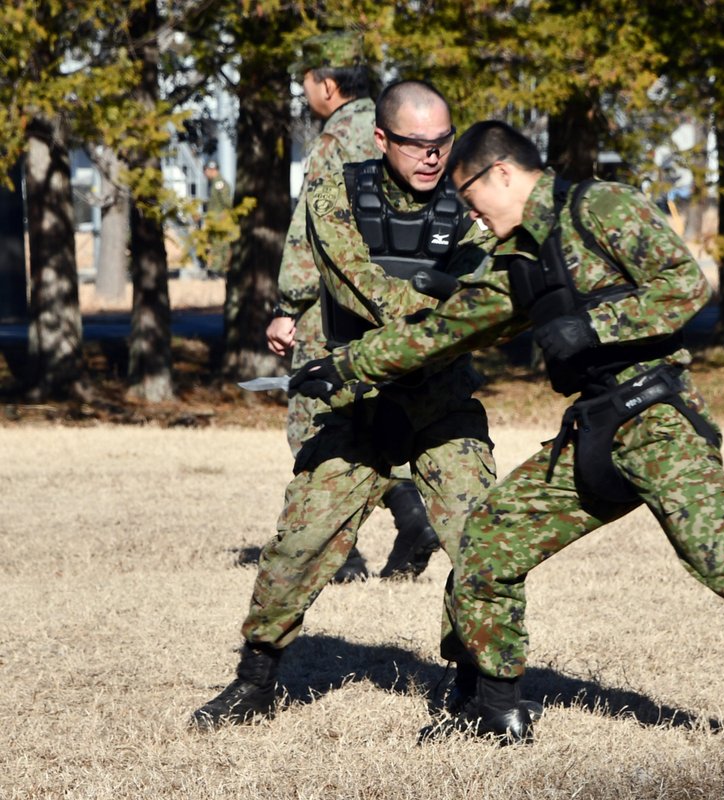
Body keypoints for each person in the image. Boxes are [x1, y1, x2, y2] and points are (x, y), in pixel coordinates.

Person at [292, 120, 724, 744]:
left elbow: (685, 285)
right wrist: (343, 366)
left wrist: (594, 326)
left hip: (657, 420)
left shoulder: (601, 207)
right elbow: (443, 332)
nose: (469, 215)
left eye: (469, 198)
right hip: (591, 428)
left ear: (500, 173)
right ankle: (494, 708)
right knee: (490, 540)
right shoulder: (517, 260)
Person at [190, 70, 498, 731]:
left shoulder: (477, 199)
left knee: (485, 544)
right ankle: (255, 680)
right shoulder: (339, 192)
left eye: (442, 141)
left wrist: (460, 309)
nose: (432, 156)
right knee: (300, 543)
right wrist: (440, 309)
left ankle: (476, 687)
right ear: (382, 137)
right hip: (358, 405)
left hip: (441, 405)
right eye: (416, 143)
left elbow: (490, 290)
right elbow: (367, 291)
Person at [264, 31, 437, 584]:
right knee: (377, 411)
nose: (305, 93)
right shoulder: (401, 132)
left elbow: (309, 228)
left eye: (307, 83)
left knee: (314, 422)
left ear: (328, 84)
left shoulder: (336, 138)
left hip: (334, 302)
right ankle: (412, 516)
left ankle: (332, 552)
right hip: (397, 298)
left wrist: (289, 304)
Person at [201, 160, 232, 278]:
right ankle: (217, 268)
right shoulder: (214, 183)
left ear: (211, 170)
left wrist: (224, 215)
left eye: (206, 171)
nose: (205, 174)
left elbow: (226, 203)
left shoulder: (220, 184)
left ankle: (217, 269)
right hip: (215, 219)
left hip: (220, 219)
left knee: (219, 244)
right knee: (216, 243)